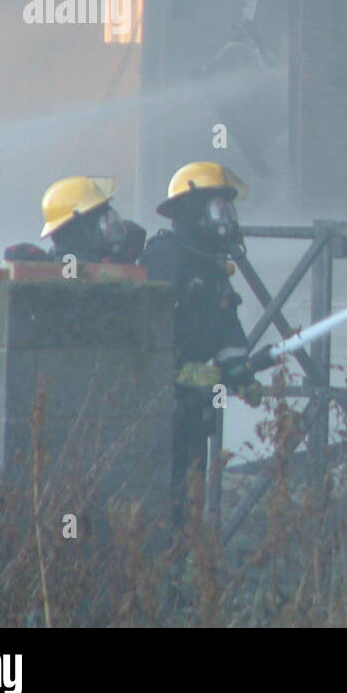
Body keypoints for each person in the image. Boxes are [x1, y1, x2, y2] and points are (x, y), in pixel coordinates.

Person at [141, 161, 270, 512]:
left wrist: (240, 373)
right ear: (194, 210)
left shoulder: (211, 263)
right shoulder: (165, 257)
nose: (227, 216)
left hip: (194, 403)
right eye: (219, 207)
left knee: (190, 491)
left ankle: (183, 559)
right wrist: (176, 370)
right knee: (164, 489)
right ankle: (157, 561)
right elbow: (148, 327)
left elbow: (225, 325)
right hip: (161, 401)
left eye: (228, 208)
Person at [4, 176, 145, 266]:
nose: (109, 225)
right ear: (78, 225)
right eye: (100, 218)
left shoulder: (79, 261)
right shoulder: (69, 264)